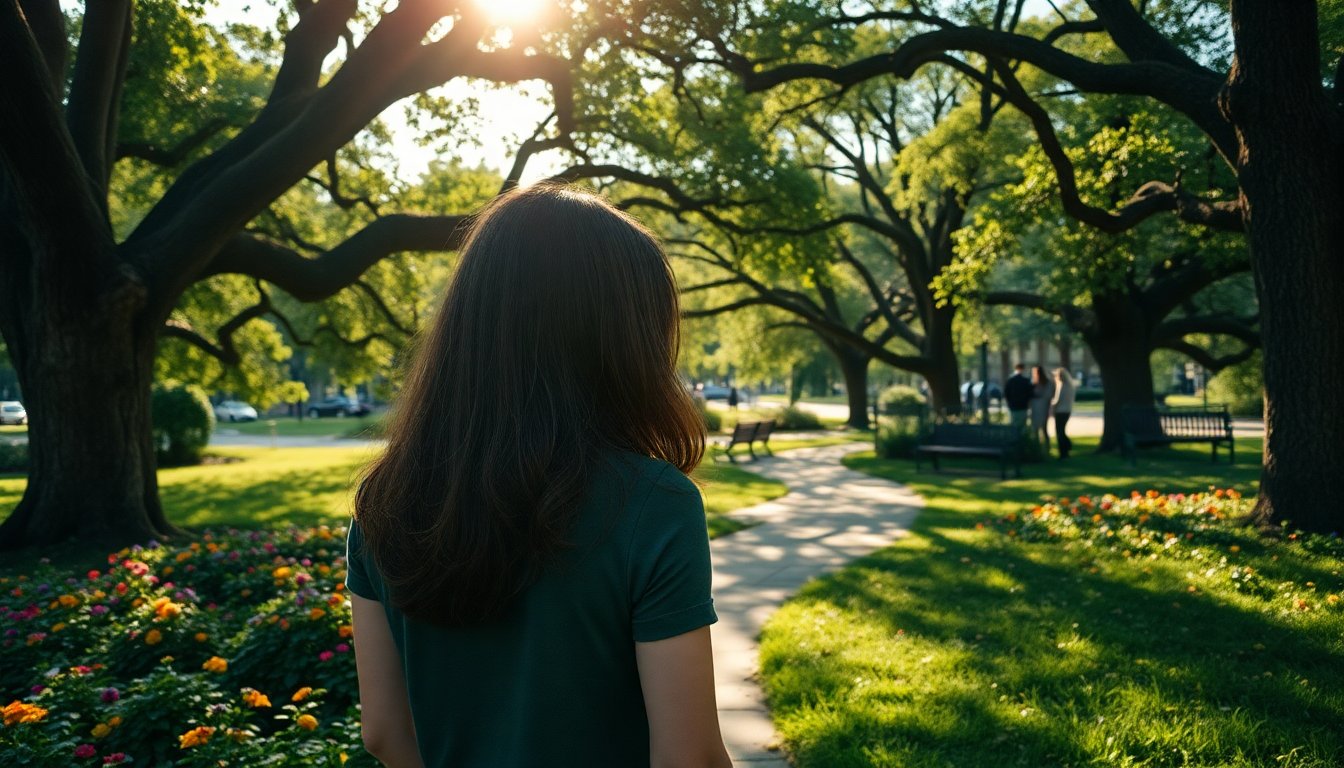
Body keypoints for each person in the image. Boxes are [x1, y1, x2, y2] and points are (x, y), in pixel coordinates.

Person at [346, 184, 732, 768]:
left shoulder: (386, 500)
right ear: (623, 339)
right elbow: (690, 757)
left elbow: (383, 732)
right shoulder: (653, 504)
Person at [1052, 367, 1077, 459]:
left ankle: (1063, 451)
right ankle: (1066, 448)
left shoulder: (1061, 386)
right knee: (1062, 431)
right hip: (1067, 411)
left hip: (1060, 411)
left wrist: (1051, 405)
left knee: (1059, 432)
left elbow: (1057, 400)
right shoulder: (1071, 386)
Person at [1030, 365, 1055, 454]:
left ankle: (1047, 448)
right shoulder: (1034, 383)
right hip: (1035, 408)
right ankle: (1037, 448)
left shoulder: (1047, 383)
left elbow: (1048, 395)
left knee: (1044, 429)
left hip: (1043, 408)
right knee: (1036, 430)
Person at [1003, 363, 1033, 429]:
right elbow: (1030, 393)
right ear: (1023, 369)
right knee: (1022, 425)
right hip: (1023, 406)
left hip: (1013, 406)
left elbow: (1006, 393)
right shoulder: (1026, 380)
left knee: (1014, 425)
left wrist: (1009, 403)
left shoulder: (1010, 380)